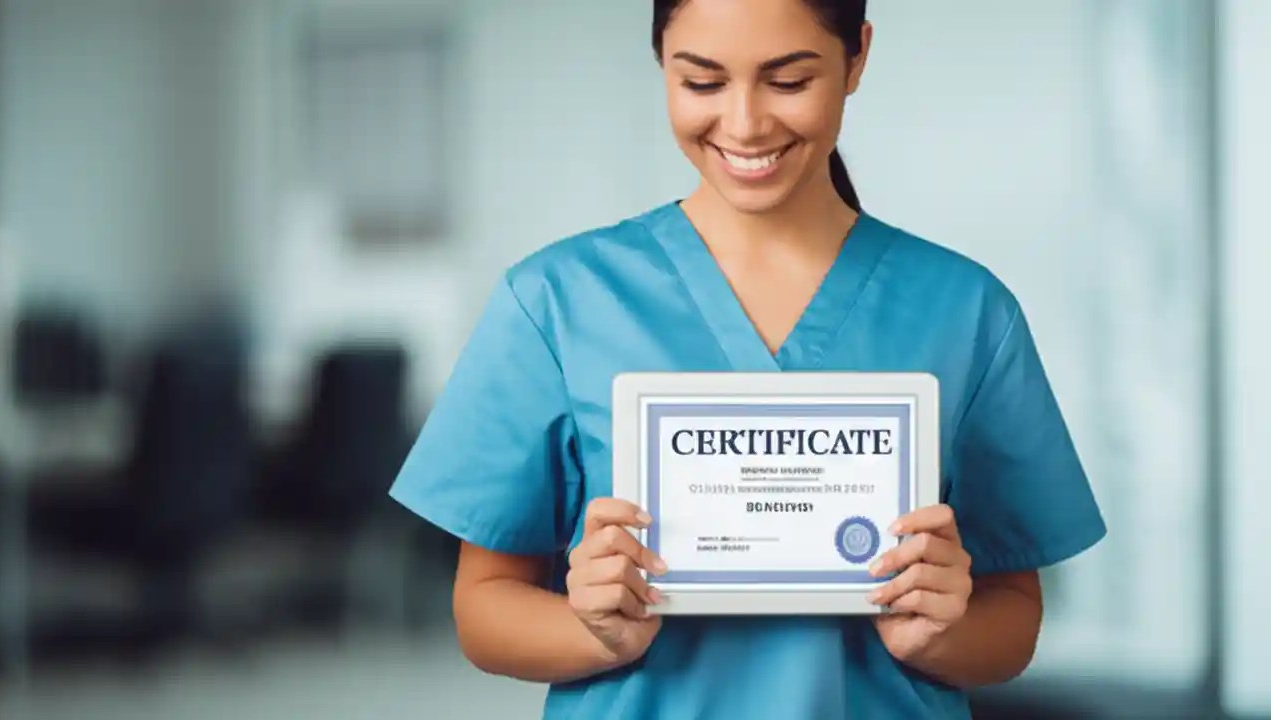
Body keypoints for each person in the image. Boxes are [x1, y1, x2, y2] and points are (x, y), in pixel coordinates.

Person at [389, 0, 1107, 717]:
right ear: (661, 64)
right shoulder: (554, 301)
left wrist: (936, 635)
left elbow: (1013, 620)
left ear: (857, 56)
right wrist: (595, 629)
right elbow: (482, 613)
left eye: (789, 81)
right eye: (702, 83)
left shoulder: (966, 312)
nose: (745, 124)